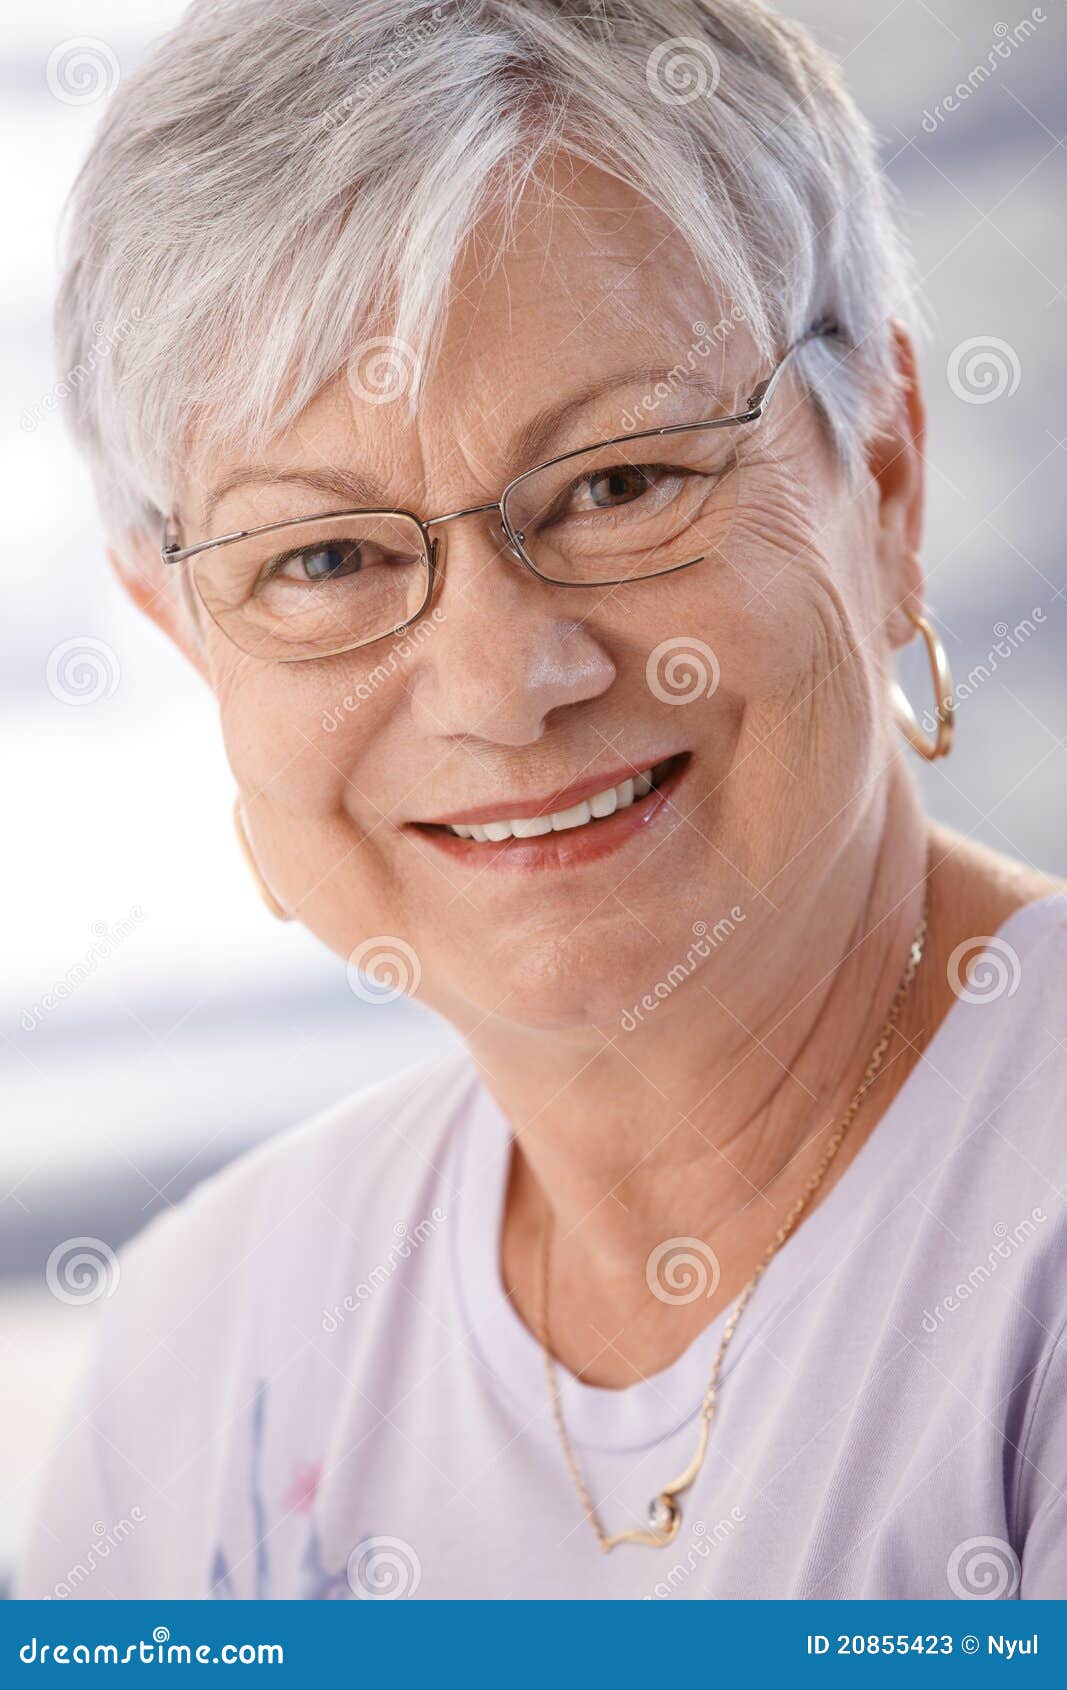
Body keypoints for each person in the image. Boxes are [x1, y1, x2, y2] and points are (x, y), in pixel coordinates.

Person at [20, 0, 1066, 1600]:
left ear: (885, 476)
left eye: (619, 481)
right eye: (324, 556)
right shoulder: (196, 1346)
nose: (503, 683)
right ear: (190, 642)